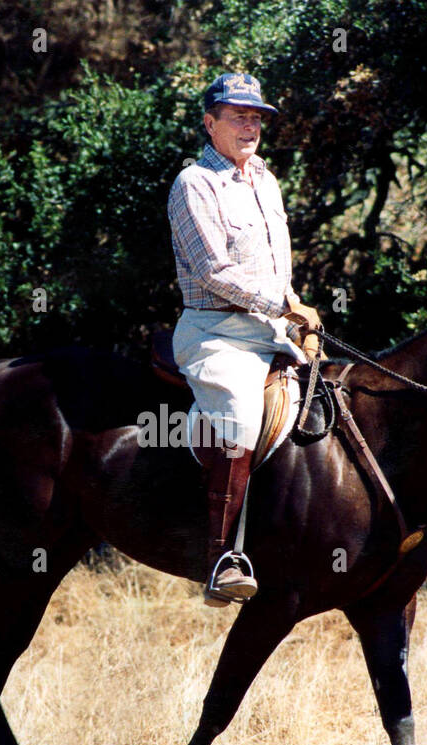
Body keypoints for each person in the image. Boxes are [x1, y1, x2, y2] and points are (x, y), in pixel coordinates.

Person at [167, 72, 322, 607]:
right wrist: (283, 305)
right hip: (215, 331)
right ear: (210, 123)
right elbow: (213, 270)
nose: (250, 126)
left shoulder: (266, 181)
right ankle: (222, 559)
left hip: (271, 327)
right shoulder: (194, 184)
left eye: (256, 118)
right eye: (238, 116)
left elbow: (277, 270)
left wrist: (297, 316)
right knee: (239, 412)